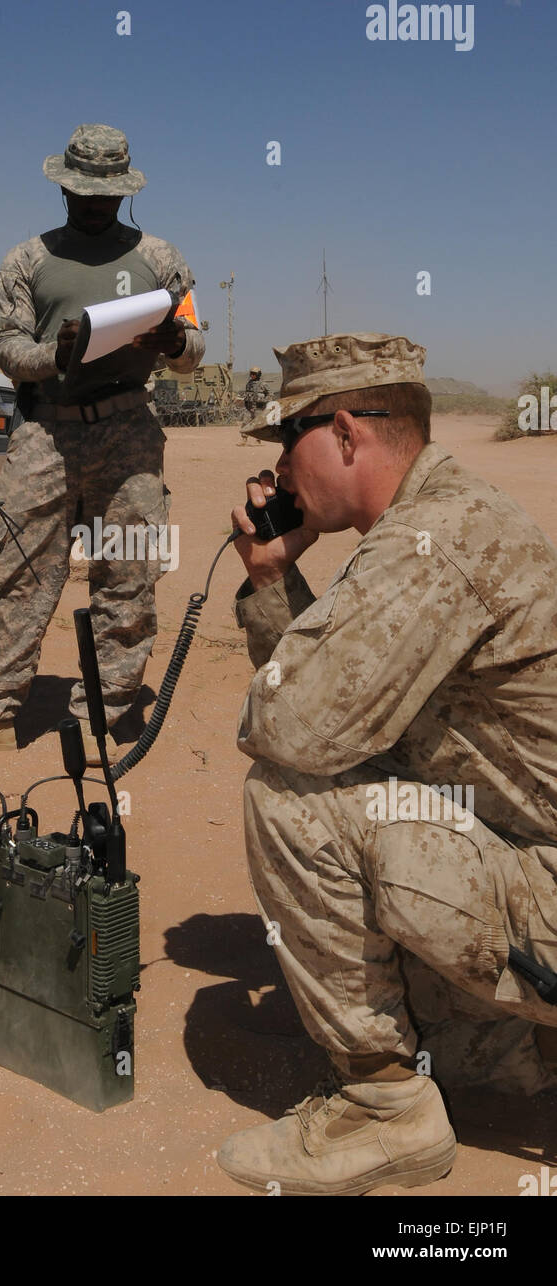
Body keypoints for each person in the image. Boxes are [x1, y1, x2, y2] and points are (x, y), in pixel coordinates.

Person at [219, 331, 557, 1195]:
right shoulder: (438, 518)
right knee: (375, 785)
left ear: (342, 433)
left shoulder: (429, 542)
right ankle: (505, 1047)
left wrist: (270, 590)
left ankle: (382, 1113)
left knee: (290, 802)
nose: (279, 476)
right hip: (530, 858)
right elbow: (351, 713)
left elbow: (292, 730)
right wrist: (272, 576)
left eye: (284, 445)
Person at [0, 123, 203, 768]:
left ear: (124, 192)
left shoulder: (161, 258)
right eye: (83, 191)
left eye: (108, 193)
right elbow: (9, 348)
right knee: (13, 568)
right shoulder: (27, 260)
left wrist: (173, 344)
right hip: (45, 431)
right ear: (63, 187)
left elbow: (192, 342)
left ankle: (105, 713)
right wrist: (59, 352)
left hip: (128, 430)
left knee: (126, 570)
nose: (95, 202)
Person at [239, 366, 267, 445]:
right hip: (249, 407)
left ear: (258, 374)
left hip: (258, 407)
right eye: (251, 373)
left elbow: (270, 394)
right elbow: (247, 394)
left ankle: (258, 440)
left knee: (257, 424)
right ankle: (244, 439)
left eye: (254, 374)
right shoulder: (249, 384)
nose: (252, 375)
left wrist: (263, 400)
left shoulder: (263, 384)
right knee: (245, 423)